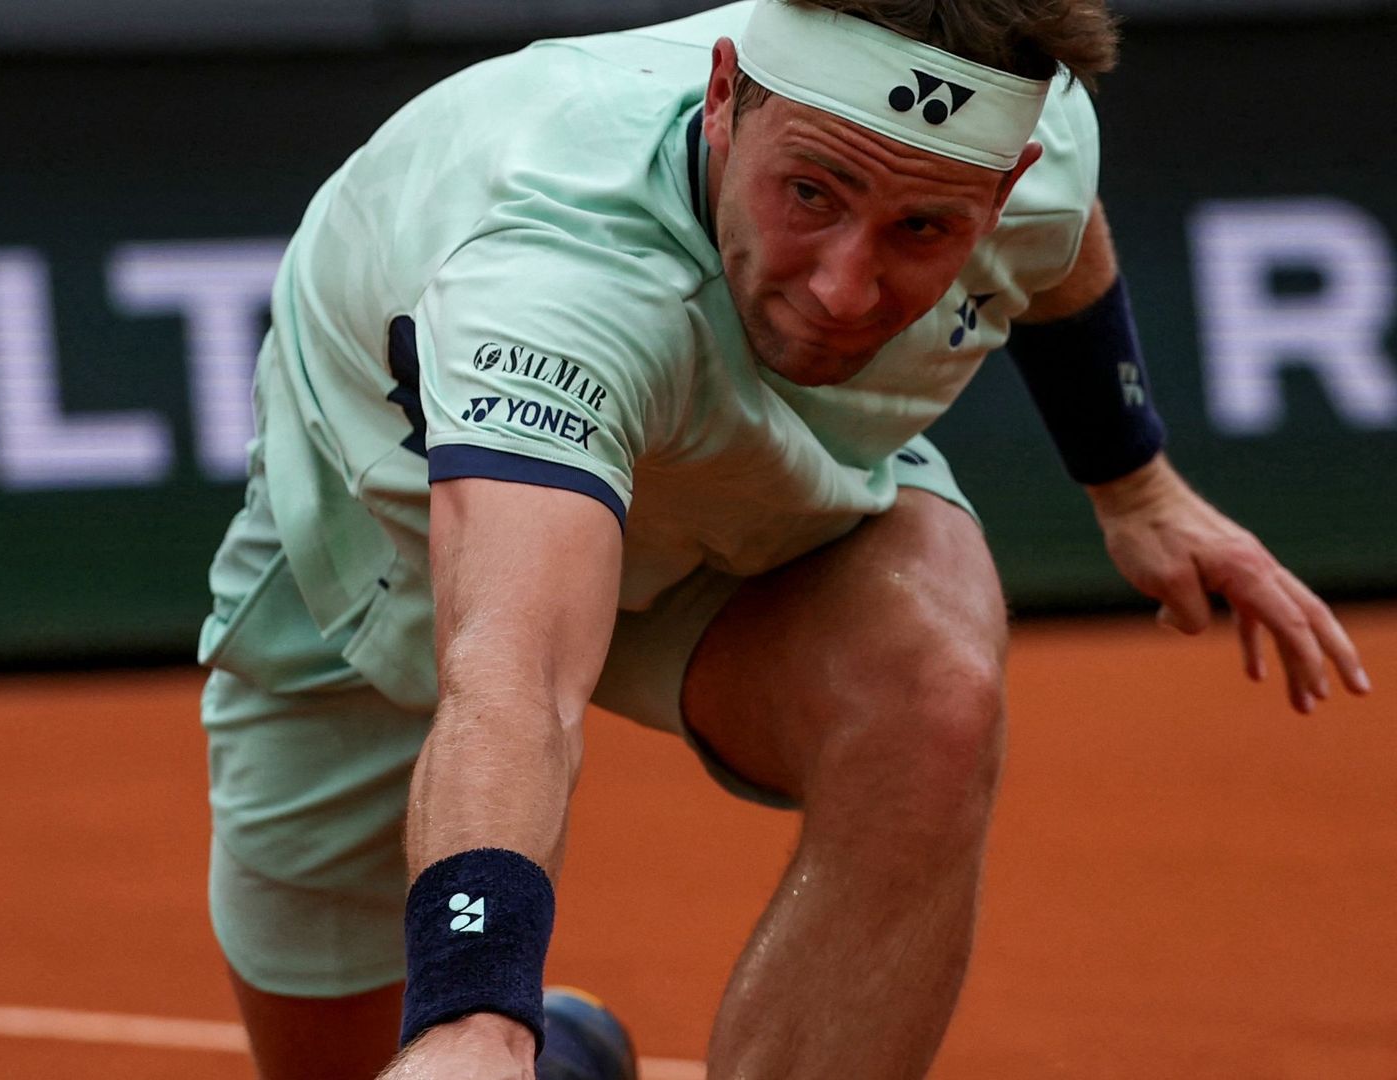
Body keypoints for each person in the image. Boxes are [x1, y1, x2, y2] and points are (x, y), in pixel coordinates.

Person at [195, 1, 1374, 1077]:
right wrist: (474, 1009)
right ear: (723, 96)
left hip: (759, 485)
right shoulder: (555, 271)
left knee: (931, 690)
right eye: (810, 193)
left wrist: (1136, 482)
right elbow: (515, 679)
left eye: (922, 226)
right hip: (395, 534)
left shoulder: (1034, 143)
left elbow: (1065, 244)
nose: (846, 291)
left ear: (1004, 182)